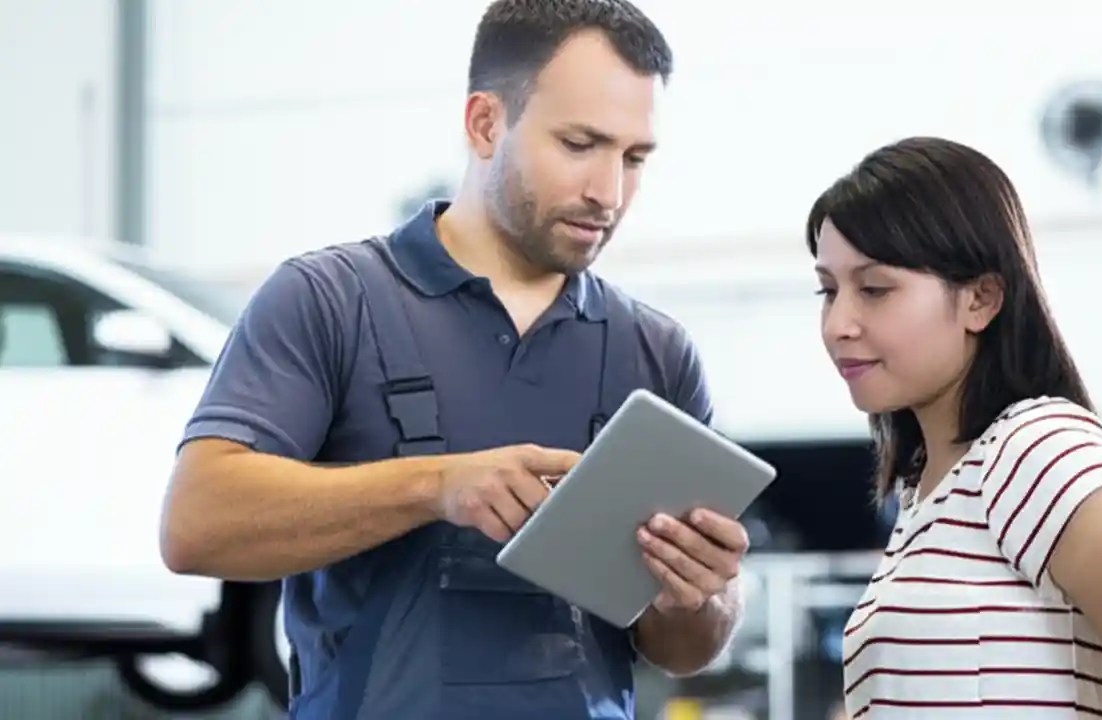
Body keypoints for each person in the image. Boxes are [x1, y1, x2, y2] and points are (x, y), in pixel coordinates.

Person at [158, 2, 750, 718]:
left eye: (634, 158)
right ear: (484, 123)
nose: (609, 192)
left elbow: (682, 648)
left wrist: (704, 594)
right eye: (580, 144)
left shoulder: (657, 354)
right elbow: (196, 525)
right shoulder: (328, 302)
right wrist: (438, 488)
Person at [808, 137, 1102, 719]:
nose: (839, 324)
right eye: (828, 290)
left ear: (981, 299)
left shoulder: (1034, 448)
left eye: (875, 290)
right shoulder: (929, 492)